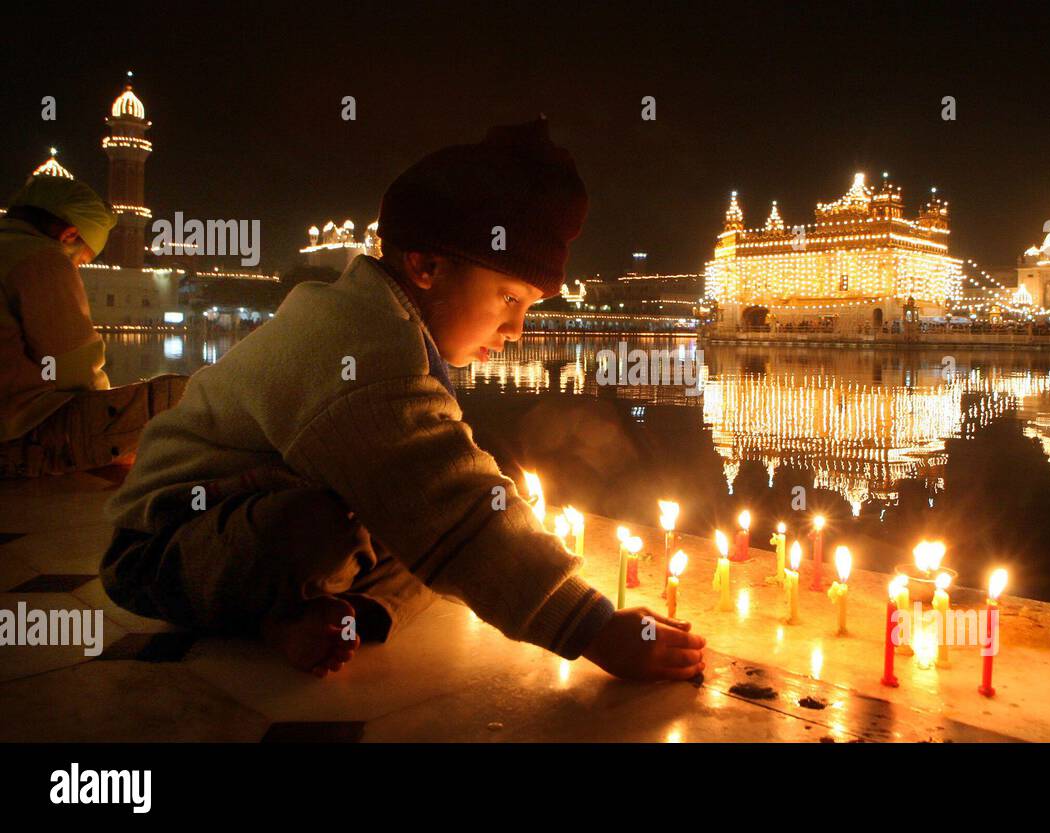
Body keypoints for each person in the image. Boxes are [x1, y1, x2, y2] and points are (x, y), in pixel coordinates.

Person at [100, 119, 707, 680]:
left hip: (270, 520)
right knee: (356, 528)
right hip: (169, 544)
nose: (518, 330)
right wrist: (593, 628)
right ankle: (277, 613)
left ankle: (325, 613)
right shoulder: (357, 348)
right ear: (425, 266)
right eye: (509, 299)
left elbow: (443, 488)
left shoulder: (391, 329)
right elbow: (448, 505)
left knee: (436, 534)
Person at [0, 175, 186, 477]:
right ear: (69, 235)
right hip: (21, 439)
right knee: (176, 393)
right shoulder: (42, 259)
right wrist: (111, 419)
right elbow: (74, 368)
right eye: (82, 262)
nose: (76, 268)